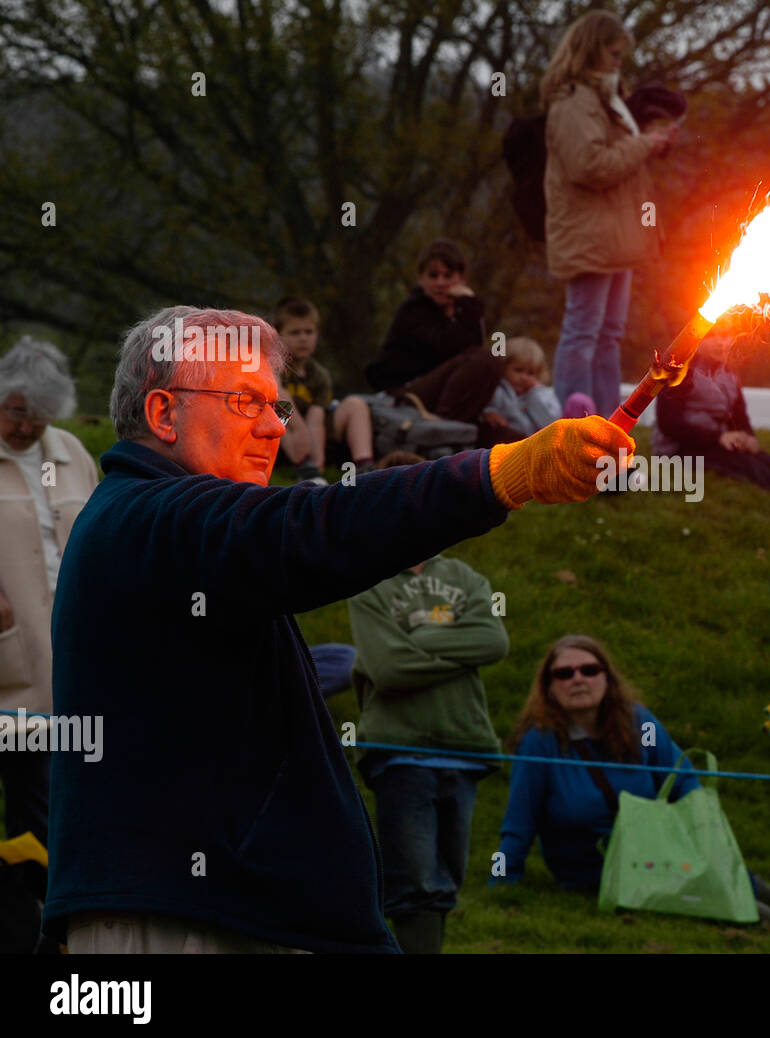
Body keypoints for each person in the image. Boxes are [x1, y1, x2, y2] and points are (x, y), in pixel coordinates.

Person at [43, 305, 633, 954]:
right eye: (245, 401)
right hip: (185, 915)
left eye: (277, 406)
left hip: (217, 908)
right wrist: (500, 473)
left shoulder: (162, 529)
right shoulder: (147, 517)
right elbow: (317, 529)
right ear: (163, 414)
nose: (275, 426)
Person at [495, 635, 770, 930]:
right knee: (693, 884)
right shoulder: (539, 743)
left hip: (651, 845)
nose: (577, 679)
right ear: (549, 687)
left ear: (606, 678)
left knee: (706, 862)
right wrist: (502, 881)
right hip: (590, 863)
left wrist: (695, 828)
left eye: (589, 670)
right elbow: (518, 821)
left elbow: (681, 776)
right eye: (564, 673)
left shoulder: (638, 723)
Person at [348, 474, 509, 954]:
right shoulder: (366, 580)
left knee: (446, 882)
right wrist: (455, 646)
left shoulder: (466, 578)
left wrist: (415, 641)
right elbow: (388, 668)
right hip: (399, 750)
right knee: (414, 882)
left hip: (465, 743)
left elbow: (494, 641)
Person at [0, 337, 98, 903]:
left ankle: (68, 899)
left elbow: (97, 528)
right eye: (15, 412)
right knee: (27, 776)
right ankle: (28, 904)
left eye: (37, 418)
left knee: (74, 777)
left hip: (75, 645)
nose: (23, 429)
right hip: (12, 654)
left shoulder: (67, 453)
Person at [541, 11, 677, 416]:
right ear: (592, 49)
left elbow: (610, 159)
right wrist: (646, 145)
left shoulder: (604, 98)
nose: (620, 60)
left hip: (613, 234)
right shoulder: (573, 104)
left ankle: (604, 425)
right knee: (583, 332)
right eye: (613, 52)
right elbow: (589, 166)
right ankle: (571, 425)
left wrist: (652, 142)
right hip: (591, 233)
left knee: (608, 334)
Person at [655, 329, 770, 504]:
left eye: (725, 335)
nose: (720, 342)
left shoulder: (728, 373)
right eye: (712, 336)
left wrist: (748, 437)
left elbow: (738, 414)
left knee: (756, 455)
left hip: (715, 441)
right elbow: (669, 424)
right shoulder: (682, 372)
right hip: (680, 449)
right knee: (741, 462)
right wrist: (718, 437)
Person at [367, 239, 506, 446]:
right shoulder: (413, 311)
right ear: (420, 279)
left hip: (445, 399)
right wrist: (470, 304)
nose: (441, 282)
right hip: (407, 396)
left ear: (462, 279)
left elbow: (468, 362)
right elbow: (448, 347)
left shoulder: (462, 313)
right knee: (485, 359)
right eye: (433, 276)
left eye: (448, 276)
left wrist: (485, 409)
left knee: (511, 439)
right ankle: (443, 436)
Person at [272, 296, 374, 484]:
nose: (303, 338)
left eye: (308, 332)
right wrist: (301, 430)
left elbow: (317, 418)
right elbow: (278, 394)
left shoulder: (319, 374)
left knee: (355, 404)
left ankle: (364, 466)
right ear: (278, 336)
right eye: (295, 333)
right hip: (284, 433)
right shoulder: (274, 365)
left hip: (314, 435)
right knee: (277, 411)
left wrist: (317, 457)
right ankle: (304, 467)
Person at [482, 337, 575, 437]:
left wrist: (535, 393)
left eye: (530, 373)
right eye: (518, 370)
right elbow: (486, 407)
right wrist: (489, 413)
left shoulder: (544, 394)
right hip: (507, 444)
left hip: (536, 444)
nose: (524, 377)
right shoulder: (499, 391)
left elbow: (551, 424)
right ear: (504, 368)